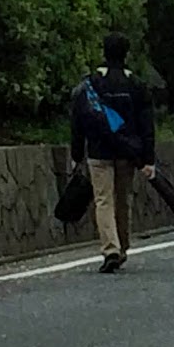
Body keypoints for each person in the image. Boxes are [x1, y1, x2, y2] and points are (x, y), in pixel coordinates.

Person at [69, 33, 157, 272]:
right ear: (126, 53)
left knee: (103, 200)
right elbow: (146, 125)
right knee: (123, 200)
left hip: (98, 152)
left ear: (104, 51)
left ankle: (111, 249)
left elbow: (78, 121)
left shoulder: (91, 84)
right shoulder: (136, 85)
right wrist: (148, 158)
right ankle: (123, 247)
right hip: (127, 153)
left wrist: (76, 154)